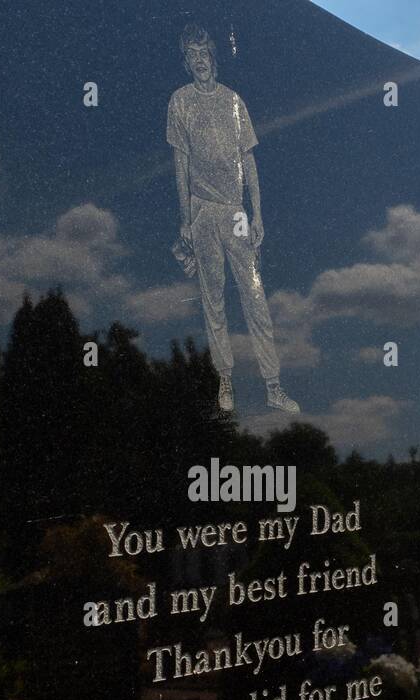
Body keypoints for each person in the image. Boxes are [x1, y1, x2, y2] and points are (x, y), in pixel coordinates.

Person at [167, 24, 299, 415]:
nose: (199, 61)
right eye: (192, 57)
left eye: (204, 54)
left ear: (213, 58)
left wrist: (257, 213)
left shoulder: (234, 102)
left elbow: (249, 159)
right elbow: (181, 163)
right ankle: (224, 380)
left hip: (236, 211)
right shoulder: (179, 102)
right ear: (186, 63)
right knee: (214, 297)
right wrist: (185, 218)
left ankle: (273, 385)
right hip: (202, 210)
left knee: (254, 295)